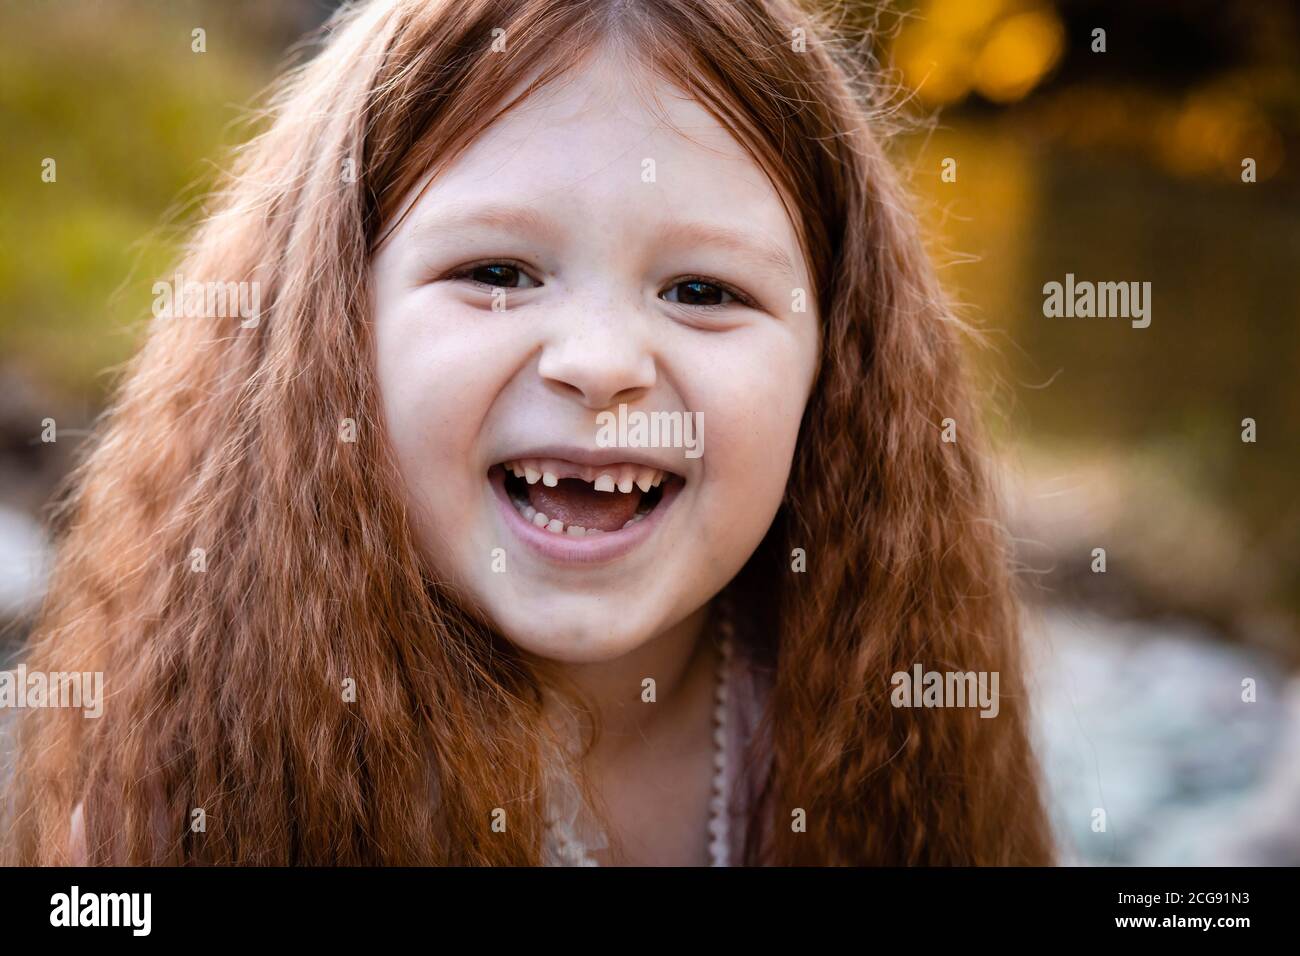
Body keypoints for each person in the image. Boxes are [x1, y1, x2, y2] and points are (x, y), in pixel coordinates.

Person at [3, 0, 1054, 866]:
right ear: (333, 332)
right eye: (497, 273)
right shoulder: (203, 781)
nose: (598, 362)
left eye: (702, 288)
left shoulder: (883, 736)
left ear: (838, 367)